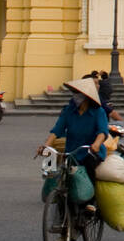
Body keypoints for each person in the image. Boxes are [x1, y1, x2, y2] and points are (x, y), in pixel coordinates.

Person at [34, 77, 109, 207]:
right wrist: (46, 146)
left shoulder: (98, 112)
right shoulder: (69, 111)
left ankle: (90, 203)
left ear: (86, 96)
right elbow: (56, 130)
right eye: (74, 93)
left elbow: (102, 132)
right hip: (72, 151)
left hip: (90, 151)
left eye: (78, 94)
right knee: (63, 174)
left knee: (88, 167)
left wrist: (96, 144)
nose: (75, 97)